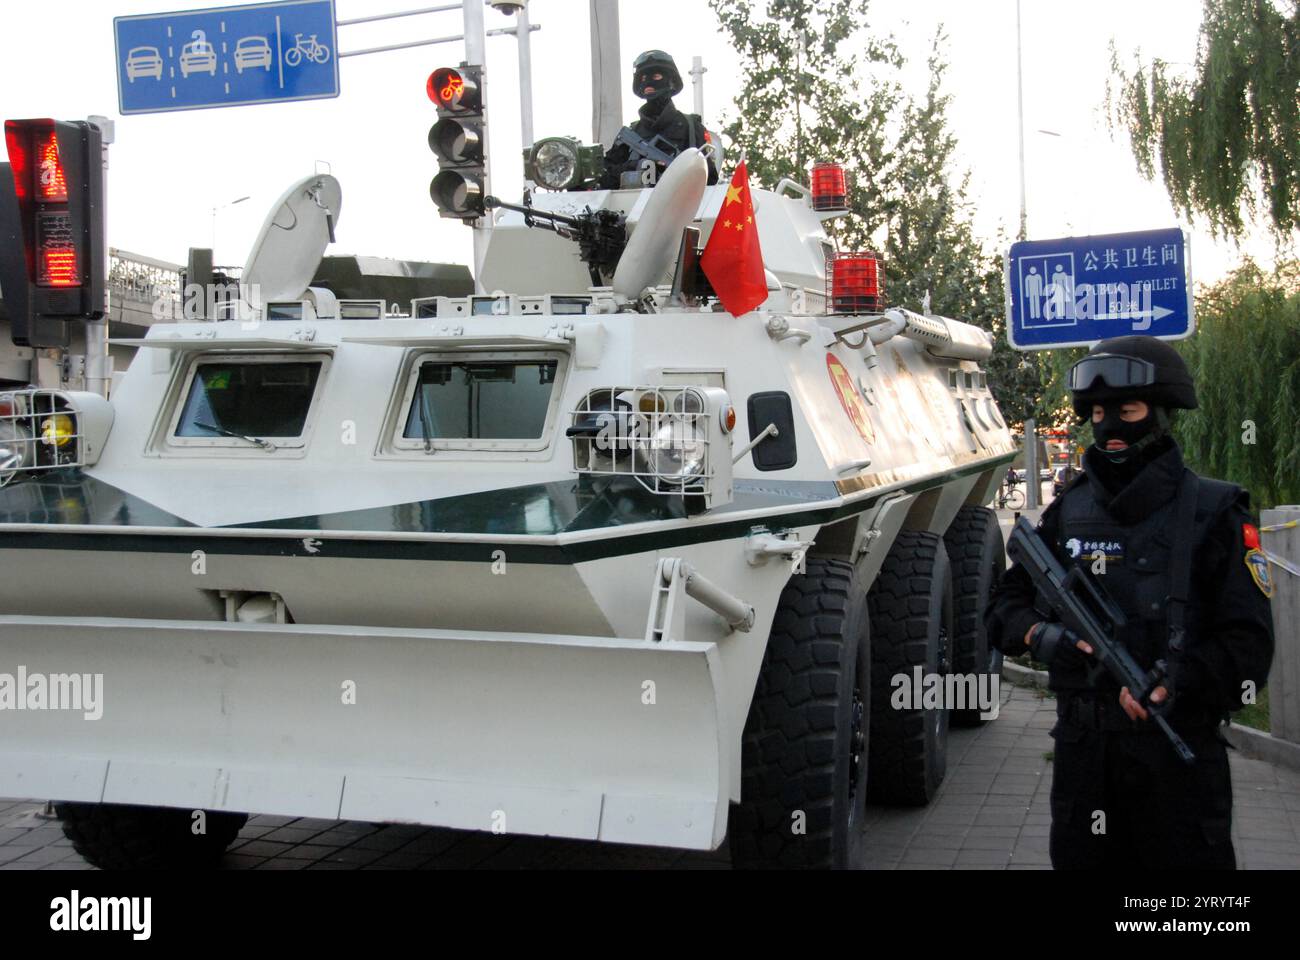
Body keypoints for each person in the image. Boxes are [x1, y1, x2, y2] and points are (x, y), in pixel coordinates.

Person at [985, 335, 1274, 870]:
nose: (1109, 427)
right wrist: (1046, 638)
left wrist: (1176, 680)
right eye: (1096, 413)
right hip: (1085, 761)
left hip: (1178, 762)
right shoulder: (1066, 512)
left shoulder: (1215, 512)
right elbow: (1004, 608)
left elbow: (1249, 648)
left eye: (1127, 410)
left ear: (1160, 415)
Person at [599, 50, 720, 190]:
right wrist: (634, 167)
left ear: (671, 82)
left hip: (680, 206)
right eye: (643, 78)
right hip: (631, 208)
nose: (648, 83)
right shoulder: (631, 134)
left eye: (656, 76)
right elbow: (604, 176)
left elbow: (710, 178)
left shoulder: (692, 128)